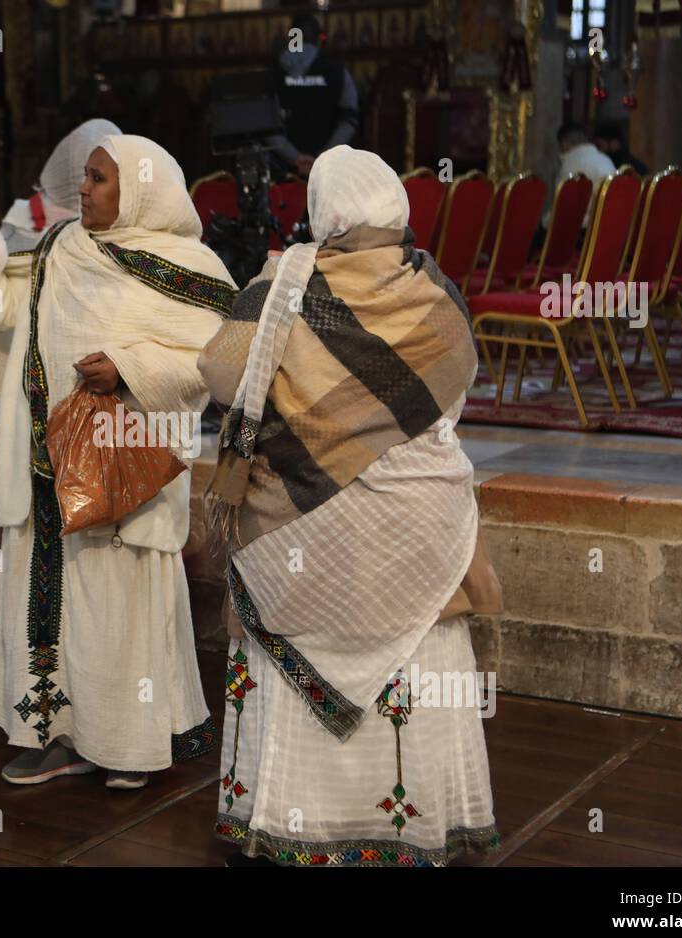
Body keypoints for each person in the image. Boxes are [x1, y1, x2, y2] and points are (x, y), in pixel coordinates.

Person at [199, 146, 502, 866]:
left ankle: (294, 822)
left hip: (298, 533)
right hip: (420, 533)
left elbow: (217, 375)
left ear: (319, 212)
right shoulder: (439, 293)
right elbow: (453, 399)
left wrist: (270, 283)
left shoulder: (280, 291)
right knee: (416, 652)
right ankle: (418, 826)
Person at [0, 134, 235, 789]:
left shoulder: (189, 265)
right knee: (55, 608)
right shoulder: (59, 248)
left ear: (138, 188)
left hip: (125, 467)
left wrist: (129, 369)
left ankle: (127, 743)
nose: (85, 188)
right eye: (86, 177)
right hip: (47, 464)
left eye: (100, 179)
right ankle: (55, 735)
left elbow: (216, 358)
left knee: (116, 605)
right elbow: (0, 318)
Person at [0, 119, 122, 253]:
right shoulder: (26, 225)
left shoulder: (134, 246)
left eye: (97, 178)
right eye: (85, 175)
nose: (82, 188)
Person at [268, 14, 360, 178]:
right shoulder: (338, 73)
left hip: (283, 174)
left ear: (291, 39)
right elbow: (349, 120)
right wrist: (323, 159)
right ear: (319, 39)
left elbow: (266, 126)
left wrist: (295, 157)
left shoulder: (272, 75)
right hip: (330, 173)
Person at [546, 123, 617, 228]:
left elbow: (563, 208)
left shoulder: (570, 163)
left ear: (564, 144)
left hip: (586, 228)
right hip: (611, 224)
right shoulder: (606, 159)